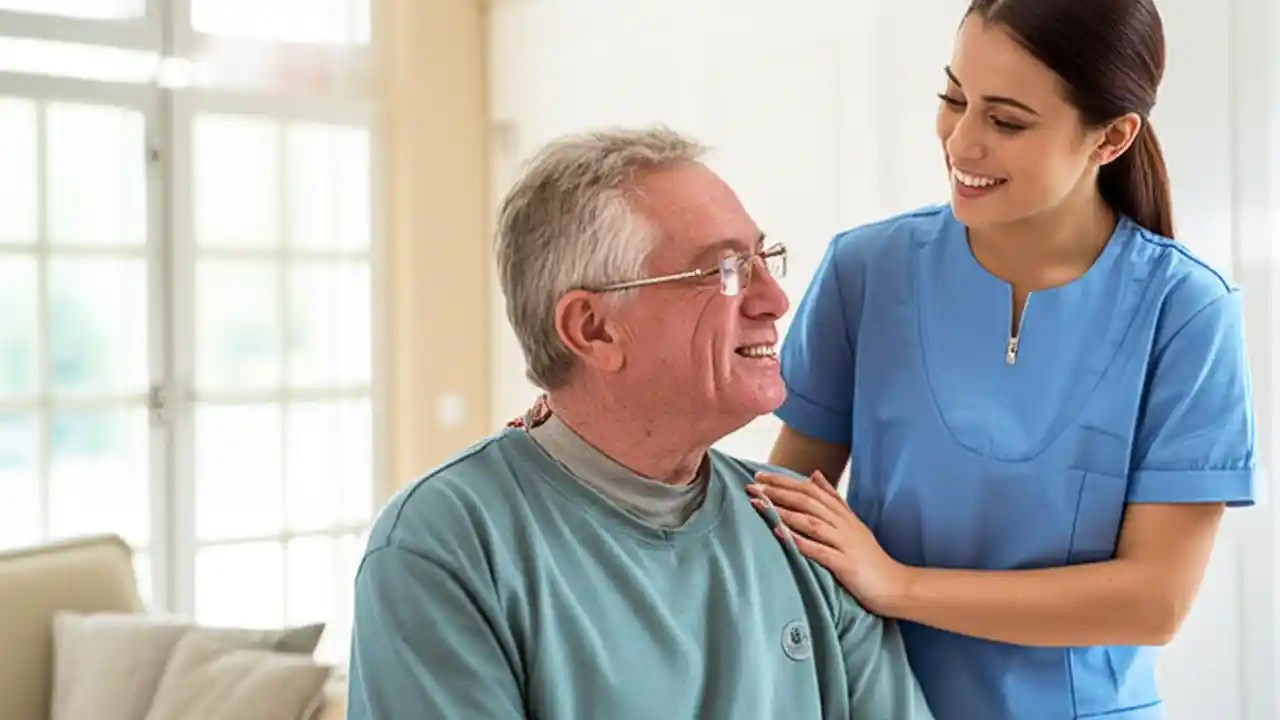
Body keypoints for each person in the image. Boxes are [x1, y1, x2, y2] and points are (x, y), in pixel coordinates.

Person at [753, 1, 1258, 719]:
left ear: (1111, 137)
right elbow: (781, 512)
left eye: (1006, 121)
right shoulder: (864, 272)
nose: (961, 142)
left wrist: (897, 585)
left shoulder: (1185, 310)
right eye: (954, 97)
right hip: (875, 703)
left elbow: (1154, 601)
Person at [345, 127, 933, 719]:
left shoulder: (805, 529)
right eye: (725, 269)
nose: (775, 300)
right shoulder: (445, 546)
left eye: (764, 258)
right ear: (594, 329)